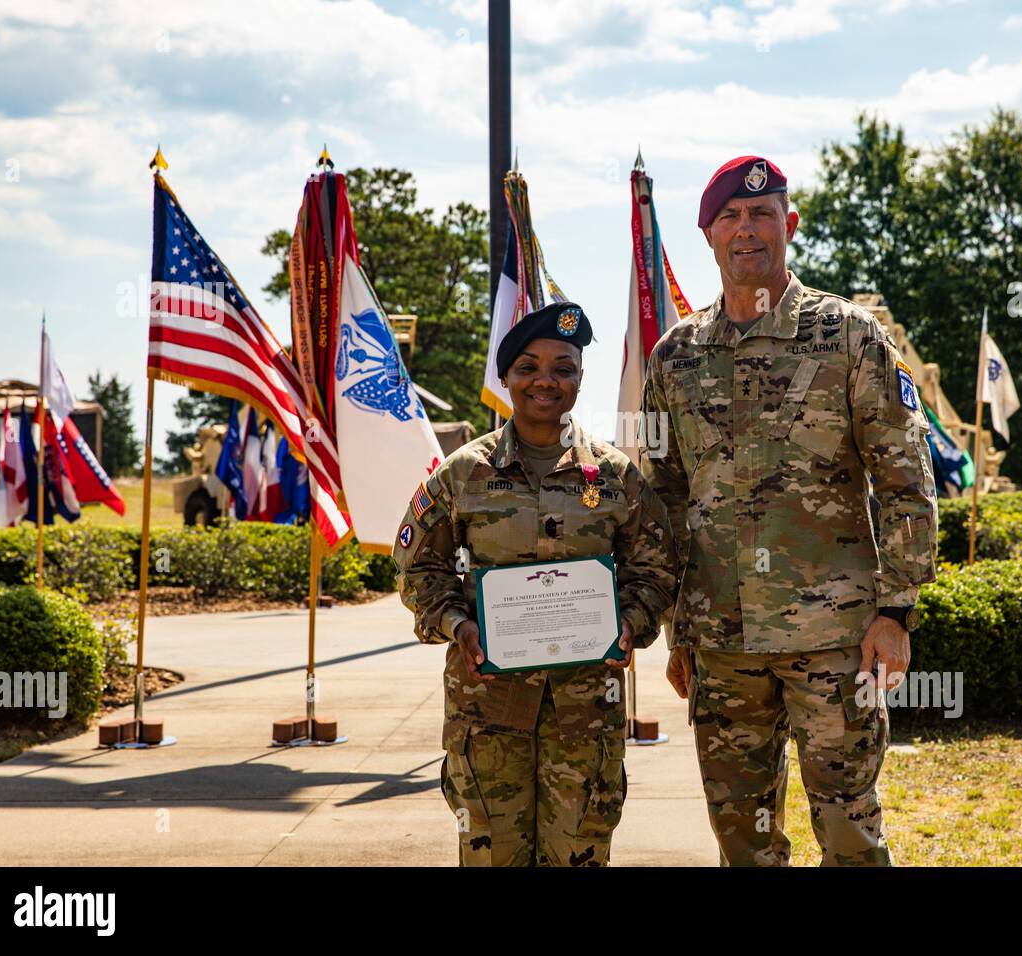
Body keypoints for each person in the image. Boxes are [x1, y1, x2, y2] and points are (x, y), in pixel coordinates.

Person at [640, 155, 938, 866]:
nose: (747, 230)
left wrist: (896, 613)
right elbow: (664, 500)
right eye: (731, 218)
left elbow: (906, 480)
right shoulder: (675, 357)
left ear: (789, 225)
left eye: (762, 213)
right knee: (742, 841)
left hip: (836, 639)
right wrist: (679, 628)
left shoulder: (850, 337)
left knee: (850, 835)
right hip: (722, 645)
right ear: (708, 235)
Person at [393, 301, 678, 867]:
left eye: (563, 367)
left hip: (585, 712)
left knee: (579, 853)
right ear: (506, 378)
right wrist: (458, 624)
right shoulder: (462, 474)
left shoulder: (616, 475)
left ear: (579, 379)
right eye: (528, 366)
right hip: (487, 710)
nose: (545, 380)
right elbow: (417, 568)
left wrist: (629, 625)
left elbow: (656, 569)